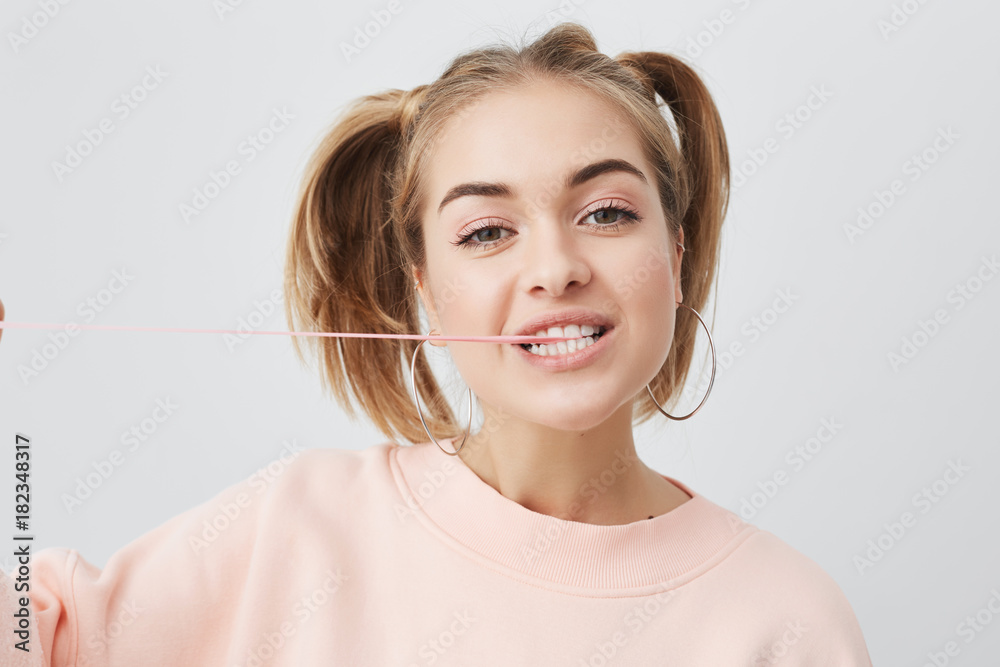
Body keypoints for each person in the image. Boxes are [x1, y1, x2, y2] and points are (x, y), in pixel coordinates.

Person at [0, 22, 872, 665]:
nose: (556, 267)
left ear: (675, 251)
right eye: (488, 231)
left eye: (606, 212)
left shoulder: (788, 619)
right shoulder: (294, 528)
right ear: (421, 280)